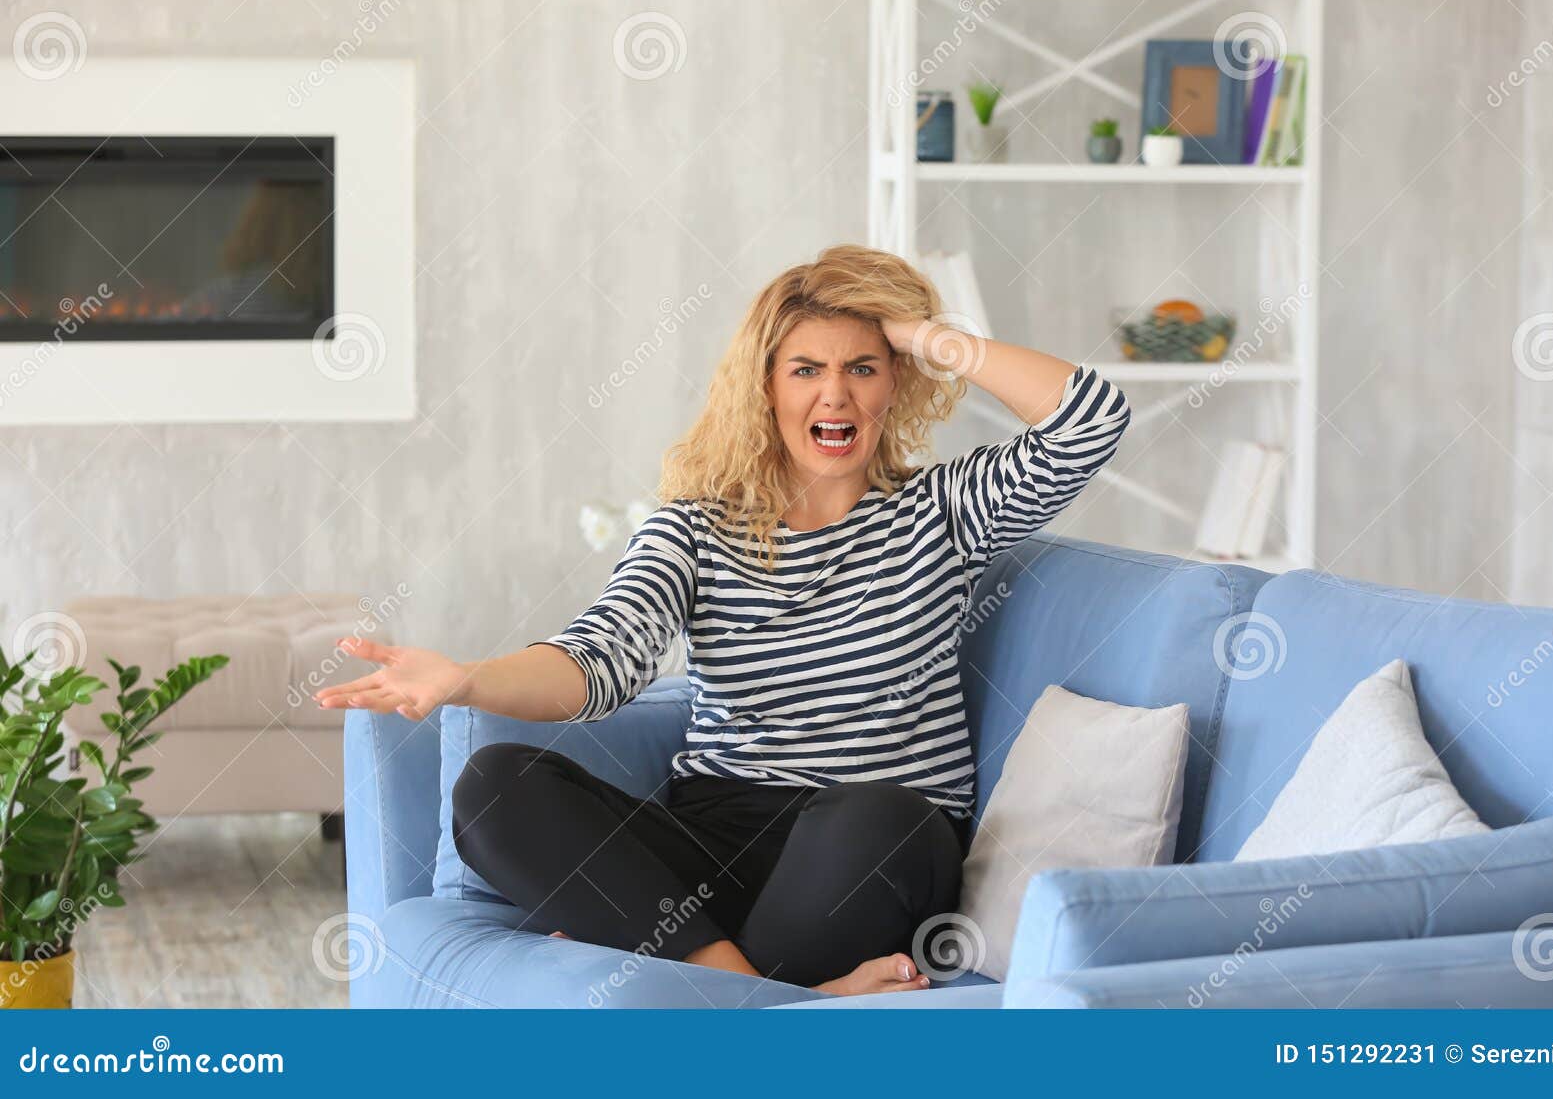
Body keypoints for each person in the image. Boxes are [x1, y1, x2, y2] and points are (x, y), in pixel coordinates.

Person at [316, 244, 1132, 997]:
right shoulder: (695, 527)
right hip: (714, 838)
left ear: (897, 383)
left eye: (863, 368)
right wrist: (468, 677)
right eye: (805, 368)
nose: (835, 393)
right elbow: (604, 655)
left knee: (887, 817)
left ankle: (693, 974)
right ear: (766, 384)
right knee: (494, 786)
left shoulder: (945, 509)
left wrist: (920, 332)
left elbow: (1093, 417)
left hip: (868, 848)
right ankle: (786, 999)